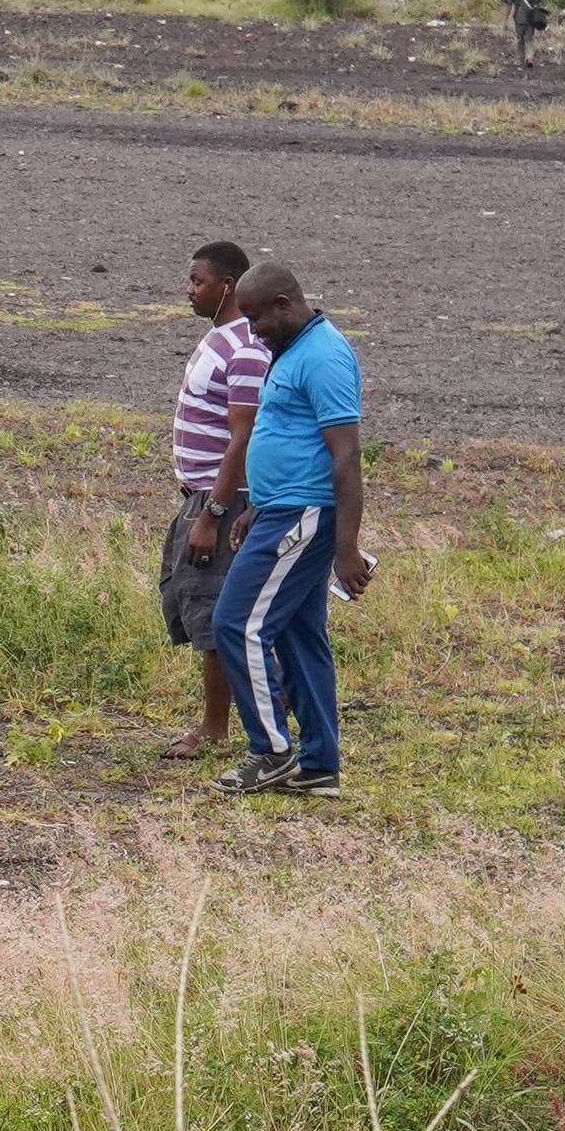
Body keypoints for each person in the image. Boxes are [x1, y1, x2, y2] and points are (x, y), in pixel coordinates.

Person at [209, 259, 369, 797]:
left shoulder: (323, 356)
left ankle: (270, 750)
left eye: (257, 320)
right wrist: (261, 501)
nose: (253, 332)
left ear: (285, 304)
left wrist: (346, 549)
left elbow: (345, 457)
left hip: (302, 516)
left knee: (238, 623)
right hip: (283, 508)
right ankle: (320, 764)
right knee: (300, 636)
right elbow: (287, 434)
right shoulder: (291, 350)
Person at [160, 240, 268, 761]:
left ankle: (215, 728)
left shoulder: (245, 346)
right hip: (201, 494)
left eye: (198, 281)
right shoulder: (222, 338)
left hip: (220, 498)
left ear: (228, 286)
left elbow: (243, 439)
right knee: (205, 606)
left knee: (214, 611)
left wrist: (214, 513)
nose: (190, 290)